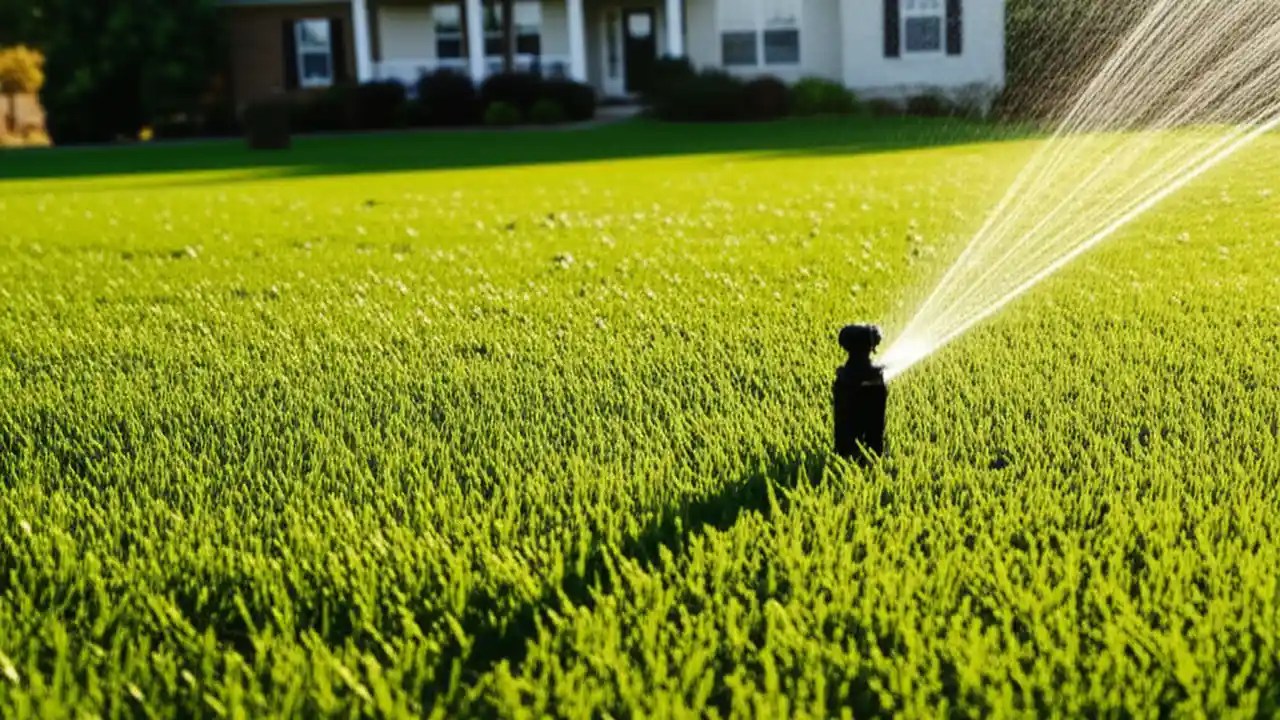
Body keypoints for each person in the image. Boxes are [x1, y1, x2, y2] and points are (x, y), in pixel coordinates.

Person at [832, 324, 887, 464]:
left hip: (847, 388)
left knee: (845, 428)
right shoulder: (875, 377)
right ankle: (873, 455)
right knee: (874, 431)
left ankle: (846, 452)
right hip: (869, 391)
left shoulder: (844, 375)